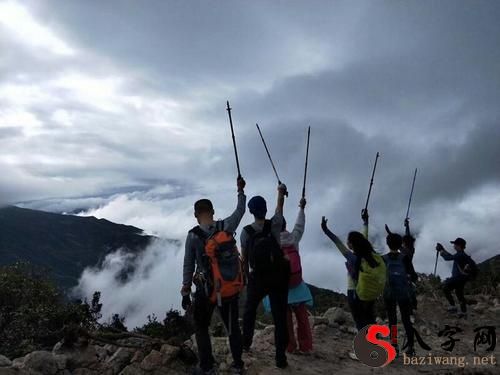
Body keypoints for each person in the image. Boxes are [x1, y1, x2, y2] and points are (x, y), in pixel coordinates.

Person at [181, 177, 246, 375]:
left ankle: (207, 367)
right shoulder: (226, 227)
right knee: (233, 327)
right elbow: (240, 211)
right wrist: (240, 190)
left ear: (195, 215)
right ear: (213, 212)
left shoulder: (193, 236)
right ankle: (237, 366)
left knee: (201, 327)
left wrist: (185, 290)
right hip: (228, 288)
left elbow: (188, 264)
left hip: (206, 291)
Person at [241, 184, 290, 369]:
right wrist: (280, 191)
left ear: (251, 212)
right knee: (279, 316)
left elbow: (244, 258)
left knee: (249, 311)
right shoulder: (275, 224)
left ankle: (246, 343)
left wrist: (247, 277)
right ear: (265, 209)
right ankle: (280, 358)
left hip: (258, 278)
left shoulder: (246, 232)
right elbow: (280, 207)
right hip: (278, 275)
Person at [321, 209, 384, 331]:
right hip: (370, 292)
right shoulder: (370, 254)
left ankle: (364, 347)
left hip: (355, 292)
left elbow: (337, 242)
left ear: (352, 244)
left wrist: (326, 230)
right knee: (370, 318)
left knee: (360, 321)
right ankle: (375, 344)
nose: (347, 242)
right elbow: (363, 237)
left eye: (348, 241)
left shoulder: (351, 257)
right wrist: (366, 222)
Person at [279, 197, 313, 354]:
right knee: (302, 319)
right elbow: (300, 225)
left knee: (285, 320)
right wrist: (301, 208)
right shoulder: (293, 238)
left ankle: (290, 346)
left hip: (282, 288)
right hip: (297, 284)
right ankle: (305, 346)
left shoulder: (273, 241)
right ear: (285, 226)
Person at [382, 230, 418, 356]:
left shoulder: (384, 259)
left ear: (387, 244)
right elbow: (414, 276)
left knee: (392, 320)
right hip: (403, 293)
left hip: (389, 293)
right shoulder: (405, 258)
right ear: (399, 245)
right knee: (406, 320)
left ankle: (394, 347)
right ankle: (411, 348)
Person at [436, 237, 477, 318]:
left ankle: (453, 307)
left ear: (458, 245)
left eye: (454, 244)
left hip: (458, 278)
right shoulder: (461, 254)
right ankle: (463, 312)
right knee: (459, 293)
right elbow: (452, 256)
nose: (453, 246)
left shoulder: (460, 255)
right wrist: (443, 249)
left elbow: (447, 258)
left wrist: (441, 251)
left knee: (445, 287)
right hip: (463, 278)